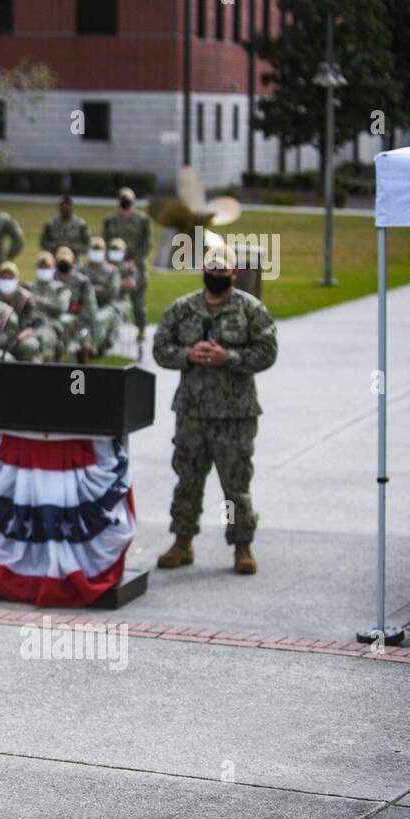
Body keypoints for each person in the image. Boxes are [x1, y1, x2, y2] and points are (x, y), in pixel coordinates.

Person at [152, 244, 277, 576]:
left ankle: (241, 546)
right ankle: (182, 542)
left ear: (234, 274)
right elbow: (160, 348)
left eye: (224, 272)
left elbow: (267, 352)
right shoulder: (182, 309)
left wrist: (229, 358)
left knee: (235, 485)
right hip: (192, 411)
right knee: (187, 480)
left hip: (234, 415)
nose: (217, 276)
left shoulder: (250, 309)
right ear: (203, 272)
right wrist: (188, 355)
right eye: (212, 271)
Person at [102, 186, 153, 358]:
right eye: (123, 199)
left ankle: (141, 329)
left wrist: (135, 259)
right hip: (116, 265)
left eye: (128, 199)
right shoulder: (111, 220)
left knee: (138, 300)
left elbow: (147, 243)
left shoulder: (142, 220)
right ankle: (108, 331)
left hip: (136, 265)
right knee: (111, 298)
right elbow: (105, 241)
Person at [52, 245, 98, 362]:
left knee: (82, 343)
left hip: (78, 323)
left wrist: (76, 324)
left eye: (66, 260)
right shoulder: (51, 280)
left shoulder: (83, 282)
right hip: (54, 322)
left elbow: (90, 309)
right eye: (61, 261)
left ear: (73, 261)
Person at [81, 236, 123, 356]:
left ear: (104, 252)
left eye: (99, 249)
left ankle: (94, 347)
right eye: (94, 249)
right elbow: (78, 289)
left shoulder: (111, 271)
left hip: (107, 305)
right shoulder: (83, 269)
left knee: (98, 319)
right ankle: (84, 345)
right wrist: (98, 288)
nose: (96, 252)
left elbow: (111, 292)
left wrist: (90, 289)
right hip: (86, 306)